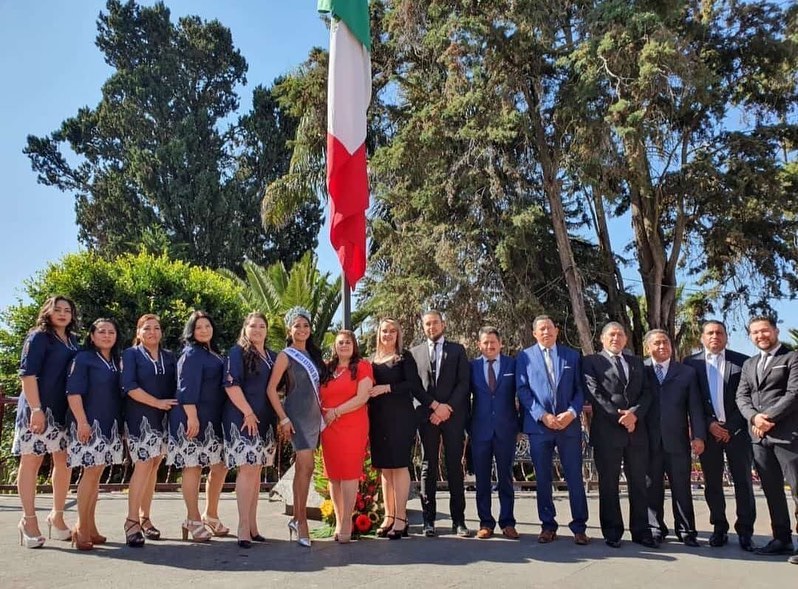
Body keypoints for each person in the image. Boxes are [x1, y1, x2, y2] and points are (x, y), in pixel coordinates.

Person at [683, 320, 755, 551]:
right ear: (702, 337)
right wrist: (710, 424)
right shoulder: (690, 364)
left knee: (743, 482)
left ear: (726, 337)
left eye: (719, 333)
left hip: (738, 432)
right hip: (708, 433)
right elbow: (691, 401)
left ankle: (745, 531)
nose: (715, 336)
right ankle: (719, 528)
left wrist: (730, 427)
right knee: (712, 483)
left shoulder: (743, 362)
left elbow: (747, 398)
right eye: (710, 333)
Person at [517, 316, 589, 545]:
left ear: (556, 331)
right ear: (534, 333)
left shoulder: (572, 356)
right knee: (543, 478)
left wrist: (571, 412)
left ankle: (579, 526)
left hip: (568, 426)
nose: (546, 332)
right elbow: (523, 390)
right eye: (541, 329)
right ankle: (548, 525)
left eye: (549, 328)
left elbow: (581, 390)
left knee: (575, 477)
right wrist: (542, 415)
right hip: (540, 427)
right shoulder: (524, 357)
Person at [13, 295, 79, 548]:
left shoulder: (72, 340)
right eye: (57, 309)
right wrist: (36, 409)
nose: (62, 314)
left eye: (67, 310)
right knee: (32, 461)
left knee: (63, 461)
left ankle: (57, 516)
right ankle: (28, 521)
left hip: (63, 411)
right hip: (37, 409)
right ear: (47, 312)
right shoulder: (39, 337)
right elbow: (27, 374)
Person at [582, 321, 654, 548]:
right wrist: (619, 417)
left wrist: (634, 415)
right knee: (609, 484)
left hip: (636, 431)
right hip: (607, 432)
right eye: (611, 335)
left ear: (625, 339)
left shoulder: (636, 363)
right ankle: (612, 532)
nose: (616, 338)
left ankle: (642, 531)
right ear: (602, 339)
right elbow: (594, 393)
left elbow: (647, 392)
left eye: (620, 334)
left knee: (639, 483)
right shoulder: (591, 362)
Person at [735, 316, 798, 561]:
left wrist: (767, 418)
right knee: (772, 490)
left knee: (797, 489)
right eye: (755, 332)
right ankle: (781, 538)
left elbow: (794, 393)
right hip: (759, 438)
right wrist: (753, 419)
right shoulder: (750, 364)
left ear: (775, 331)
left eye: (764, 331)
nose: (760, 336)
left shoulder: (792, 358)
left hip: (788, 435)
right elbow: (742, 397)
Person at [267, 306, 329, 548]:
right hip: (297, 417)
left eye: (306, 326)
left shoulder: (315, 356)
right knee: (307, 465)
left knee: (305, 470)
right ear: (289, 329)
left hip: (314, 418)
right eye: (297, 326)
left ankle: (296, 518)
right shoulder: (286, 355)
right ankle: (301, 521)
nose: (302, 330)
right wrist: (283, 418)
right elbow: (271, 389)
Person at [167, 311, 228, 542]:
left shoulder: (213, 353)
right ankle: (192, 518)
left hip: (212, 419)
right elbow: (186, 387)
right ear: (191, 331)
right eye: (198, 327)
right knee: (193, 467)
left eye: (207, 325)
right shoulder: (191, 354)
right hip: (192, 417)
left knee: (219, 466)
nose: (204, 330)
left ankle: (210, 514)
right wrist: (192, 416)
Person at [65, 318, 125, 550]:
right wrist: (81, 422)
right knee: (89, 474)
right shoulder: (83, 359)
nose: (107, 335)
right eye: (102, 331)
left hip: (109, 424)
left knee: (97, 474)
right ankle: (80, 527)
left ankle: (90, 525)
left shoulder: (115, 361)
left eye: (111, 331)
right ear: (92, 336)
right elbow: (73, 393)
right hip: (88, 424)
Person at [410, 310, 471, 537]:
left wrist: (447, 409)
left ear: (443, 324)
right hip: (427, 417)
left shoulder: (457, 350)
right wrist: (435, 407)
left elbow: (464, 383)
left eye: (435, 322)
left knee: (454, 466)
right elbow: (415, 387)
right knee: (428, 467)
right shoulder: (414, 353)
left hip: (453, 417)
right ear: (423, 327)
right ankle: (429, 521)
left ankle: (459, 520)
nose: (431, 327)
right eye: (427, 324)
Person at [643, 329, 706, 547]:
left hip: (677, 439)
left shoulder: (686, 372)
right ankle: (655, 528)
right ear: (647, 348)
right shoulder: (640, 370)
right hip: (649, 441)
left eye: (666, 343)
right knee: (651, 487)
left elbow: (695, 407)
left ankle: (686, 530)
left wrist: (698, 436)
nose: (662, 347)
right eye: (657, 343)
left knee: (681, 486)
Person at [121, 314, 178, 547]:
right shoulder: (131, 354)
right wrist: (157, 403)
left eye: (156, 328)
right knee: (143, 465)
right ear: (138, 333)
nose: (152, 332)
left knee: (154, 465)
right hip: (140, 417)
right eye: (147, 328)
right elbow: (129, 387)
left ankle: (145, 518)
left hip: (163, 418)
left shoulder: (169, 356)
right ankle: (131, 522)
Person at [222, 312, 277, 548]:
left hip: (265, 420)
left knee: (256, 473)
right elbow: (231, 385)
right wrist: (247, 412)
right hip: (244, 418)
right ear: (245, 328)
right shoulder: (238, 353)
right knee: (247, 470)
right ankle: (243, 527)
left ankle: (253, 526)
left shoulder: (272, 356)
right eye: (252, 325)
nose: (257, 330)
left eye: (261, 326)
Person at [368, 318, 423, 540]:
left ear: (398, 335)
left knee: (399, 466)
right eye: (384, 331)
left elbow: (413, 385)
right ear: (378, 334)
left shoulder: (404, 357)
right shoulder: (371, 360)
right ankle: (388, 516)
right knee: (385, 468)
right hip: (378, 418)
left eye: (392, 331)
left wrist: (386, 388)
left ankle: (401, 518)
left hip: (401, 417)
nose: (388, 335)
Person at [319, 330, 374, 543]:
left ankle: (347, 522)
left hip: (352, 425)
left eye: (348, 342)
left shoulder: (362, 366)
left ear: (354, 345)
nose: (343, 346)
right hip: (329, 427)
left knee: (349, 474)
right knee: (334, 475)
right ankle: (339, 519)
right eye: (340, 342)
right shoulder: (327, 368)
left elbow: (362, 398)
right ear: (335, 346)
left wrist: (336, 412)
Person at [470, 326, 519, 540]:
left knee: (506, 477)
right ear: (479, 345)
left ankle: (507, 522)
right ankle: (485, 523)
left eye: (493, 343)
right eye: (485, 343)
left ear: (500, 344)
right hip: (479, 430)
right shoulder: (471, 366)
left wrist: (520, 426)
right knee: (482, 479)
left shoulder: (512, 364)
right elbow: (464, 396)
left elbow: (523, 394)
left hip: (506, 429)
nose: (489, 346)